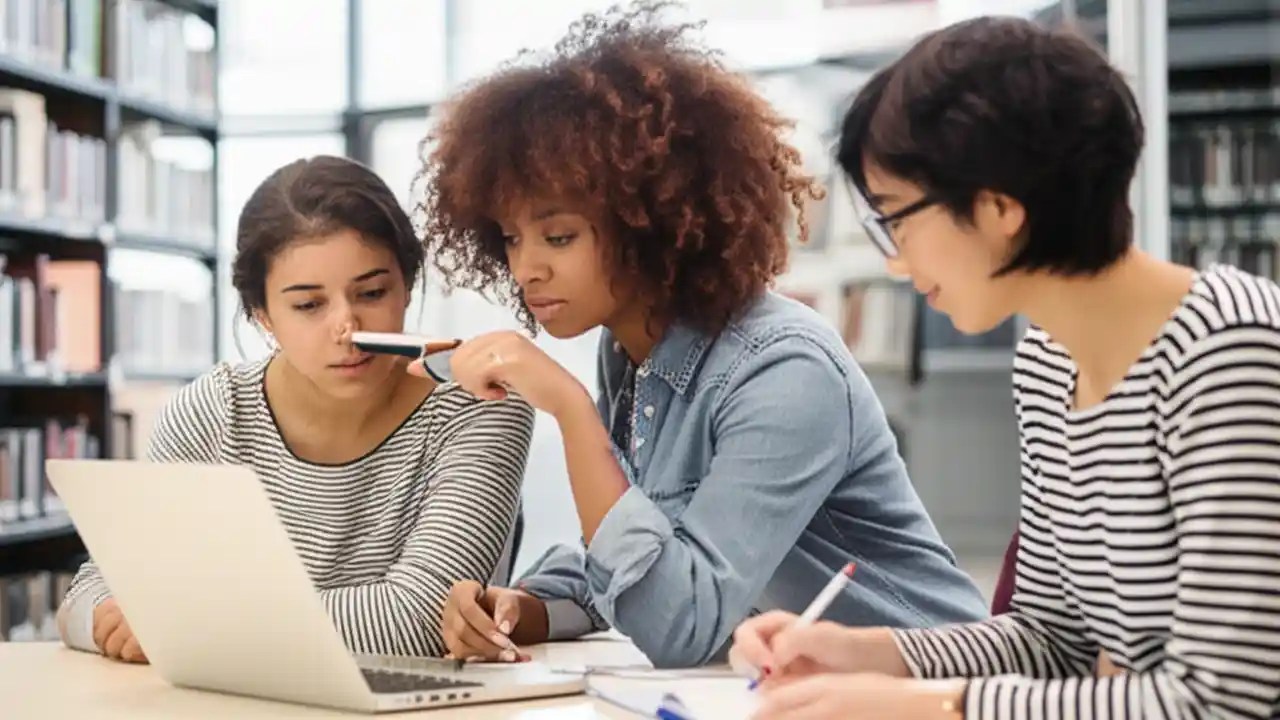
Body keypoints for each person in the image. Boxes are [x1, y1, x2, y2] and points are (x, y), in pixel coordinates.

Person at [730, 15, 1280, 720]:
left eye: (896, 219)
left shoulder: (1230, 351)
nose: (894, 261)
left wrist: (929, 705)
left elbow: (1225, 701)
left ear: (997, 207)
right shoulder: (1048, 365)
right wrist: (866, 653)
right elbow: (1053, 640)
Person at [411, 0, 988, 669]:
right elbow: (650, 546)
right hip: (783, 686)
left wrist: (569, 410)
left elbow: (680, 621)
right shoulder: (631, 354)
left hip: (924, 687)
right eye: (511, 238)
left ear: (649, 220)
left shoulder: (783, 369)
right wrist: (526, 608)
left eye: (558, 236)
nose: (526, 268)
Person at [55, 155, 536, 663]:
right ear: (262, 314)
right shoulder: (213, 410)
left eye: (373, 292)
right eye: (308, 305)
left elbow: (418, 621)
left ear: (407, 285)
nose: (347, 328)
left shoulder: (480, 404)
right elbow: (92, 591)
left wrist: (189, 621)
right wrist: (113, 616)